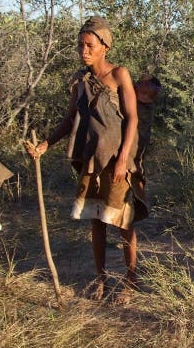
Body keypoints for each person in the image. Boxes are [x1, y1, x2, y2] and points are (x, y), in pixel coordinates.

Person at [25, 17, 148, 304]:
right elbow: (70, 120)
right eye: (81, 45)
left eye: (90, 45)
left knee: (123, 221)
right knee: (96, 220)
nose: (84, 50)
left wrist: (123, 161)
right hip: (92, 160)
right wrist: (45, 144)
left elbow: (132, 119)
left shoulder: (119, 75)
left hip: (118, 161)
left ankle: (131, 280)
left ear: (104, 47)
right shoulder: (79, 81)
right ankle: (101, 279)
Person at [133, 74, 161, 175]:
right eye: (143, 93)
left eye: (150, 95)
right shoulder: (130, 100)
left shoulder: (148, 108)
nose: (145, 97)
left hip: (140, 141)